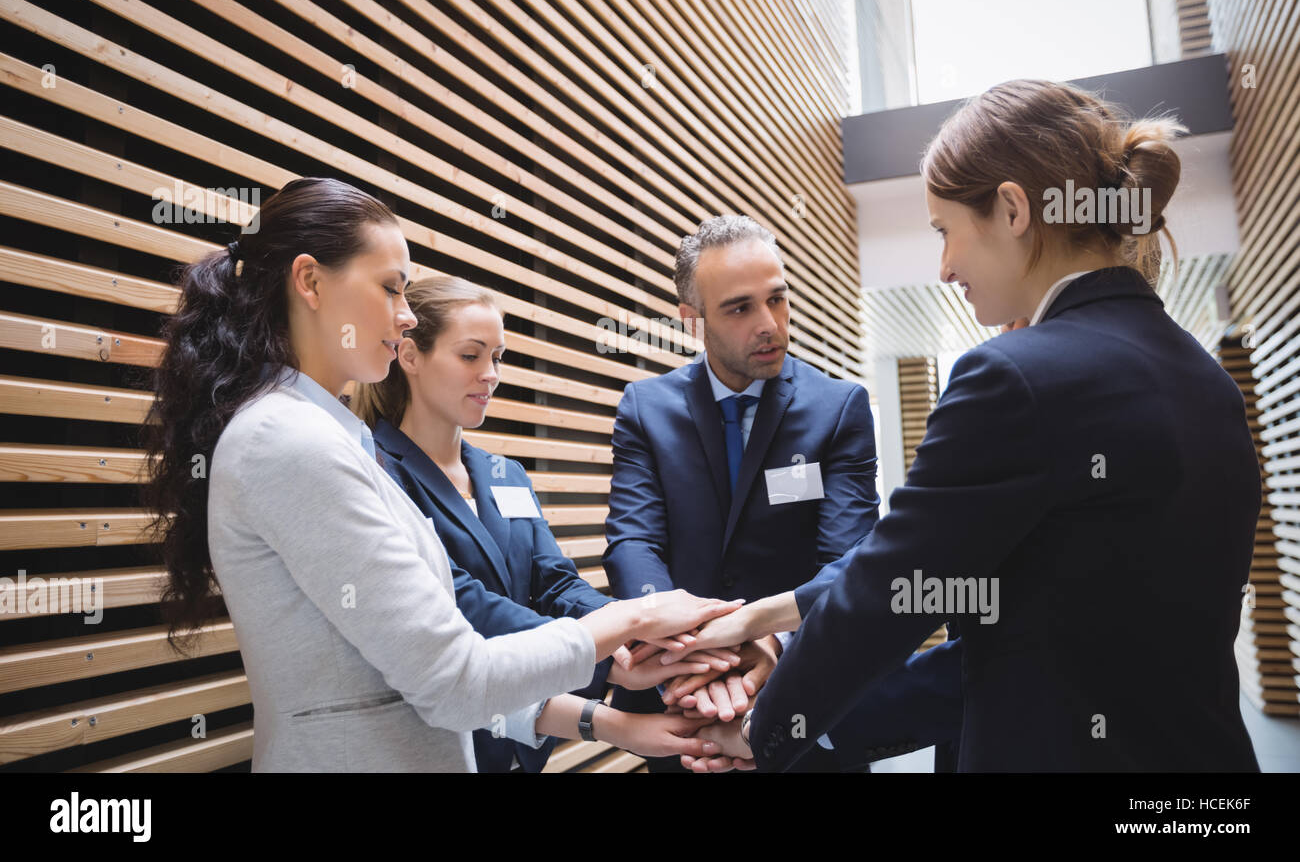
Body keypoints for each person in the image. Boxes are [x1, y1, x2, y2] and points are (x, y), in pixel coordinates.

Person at [679, 79, 1262, 772]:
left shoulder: (1012, 378)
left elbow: (895, 587)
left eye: (945, 230)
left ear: (1012, 208)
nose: (947, 266)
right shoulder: (1208, 380)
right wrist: (758, 618)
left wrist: (764, 729)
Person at [142, 176, 741, 772]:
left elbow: (413, 681)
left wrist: (611, 713)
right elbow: (454, 679)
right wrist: (627, 623)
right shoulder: (291, 441)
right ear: (310, 281)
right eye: (391, 288)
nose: (405, 315)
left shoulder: (327, 437)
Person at [602, 215, 963, 772]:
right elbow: (633, 542)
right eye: (740, 308)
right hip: (679, 704)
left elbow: (848, 560)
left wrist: (771, 647)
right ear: (692, 320)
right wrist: (684, 650)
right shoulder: (646, 409)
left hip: (806, 701)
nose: (769, 323)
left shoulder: (838, 408)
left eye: (777, 299)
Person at [352, 275, 740, 771]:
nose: (490, 374)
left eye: (498, 357)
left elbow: (553, 581)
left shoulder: (503, 474)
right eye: (471, 356)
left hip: (523, 742)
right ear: (409, 357)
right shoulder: (381, 472)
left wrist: (634, 641)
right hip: (436, 742)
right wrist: (608, 655)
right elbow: (462, 603)